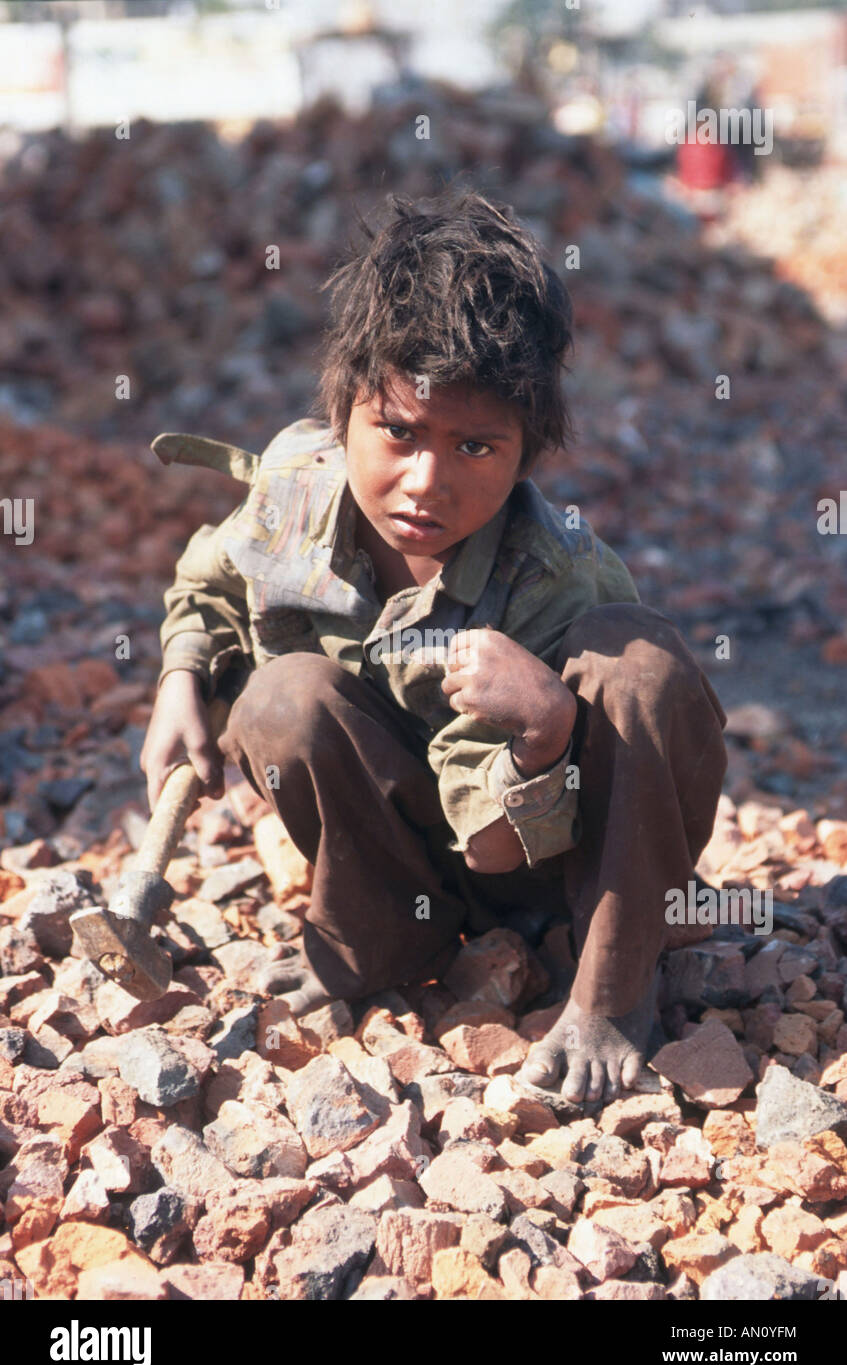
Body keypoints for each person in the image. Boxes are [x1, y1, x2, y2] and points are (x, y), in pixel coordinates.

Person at [141, 188, 727, 1106]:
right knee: (282, 697)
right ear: (343, 414)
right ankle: (378, 945)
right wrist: (181, 677)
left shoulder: (555, 578)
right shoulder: (296, 487)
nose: (425, 482)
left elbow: (493, 843)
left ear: (529, 451)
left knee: (637, 661)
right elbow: (213, 578)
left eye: (475, 448)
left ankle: (611, 990)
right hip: (412, 857)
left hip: (547, 859)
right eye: (399, 432)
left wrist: (543, 729)